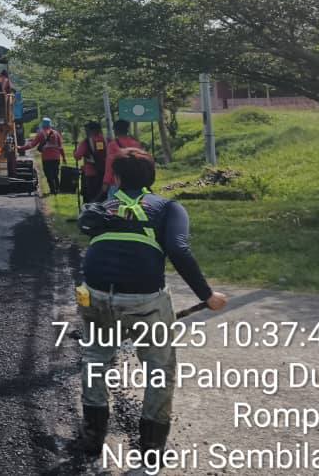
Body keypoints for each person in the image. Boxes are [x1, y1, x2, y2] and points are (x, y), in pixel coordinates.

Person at [77, 147, 227, 461]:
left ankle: (92, 438)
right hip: (145, 301)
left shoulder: (104, 206)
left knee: (96, 358)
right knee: (159, 369)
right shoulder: (168, 208)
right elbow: (179, 250)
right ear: (153, 176)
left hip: (94, 295)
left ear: (116, 177)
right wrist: (207, 296)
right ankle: (152, 447)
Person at [21, 117, 66, 195]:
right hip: (56, 157)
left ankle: (53, 190)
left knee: (49, 174)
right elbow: (61, 147)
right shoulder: (56, 133)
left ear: (43, 125)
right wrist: (64, 157)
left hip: (46, 158)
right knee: (55, 174)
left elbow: (32, 145)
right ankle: (57, 189)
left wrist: (21, 148)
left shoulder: (41, 134)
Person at [102, 119, 144, 198]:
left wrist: (106, 182)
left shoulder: (113, 145)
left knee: (113, 207)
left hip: (118, 183)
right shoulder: (136, 143)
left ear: (116, 130)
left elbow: (110, 165)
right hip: (135, 181)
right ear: (127, 130)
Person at [73, 121, 107, 203]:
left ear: (91, 130)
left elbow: (78, 156)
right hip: (104, 172)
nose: (86, 132)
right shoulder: (106, 140)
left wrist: (75, 152)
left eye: (87, 130)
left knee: (90, 195)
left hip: (90, 173)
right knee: (102, 195)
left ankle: (91, 211)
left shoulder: (86, 142)